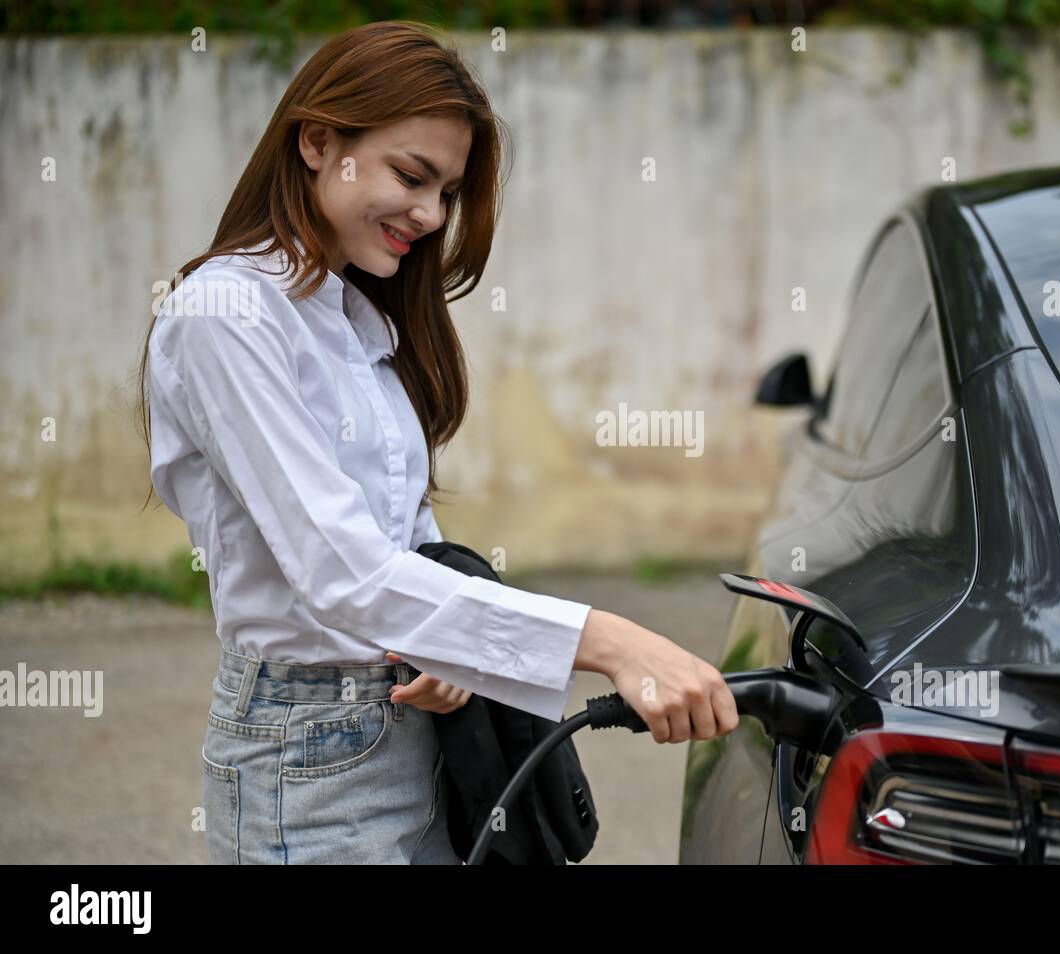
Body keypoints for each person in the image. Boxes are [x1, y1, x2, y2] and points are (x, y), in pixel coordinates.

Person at [135, 20, 739, 865]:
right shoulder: (224, 316)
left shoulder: (355, 318)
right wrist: (611, 642)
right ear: (317, 141)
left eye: (447, 191)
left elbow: (400, 541)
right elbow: (339, 569)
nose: (430, 215)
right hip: (306, 755)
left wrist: (444, 646)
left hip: (421, 729)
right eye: (412, 176)